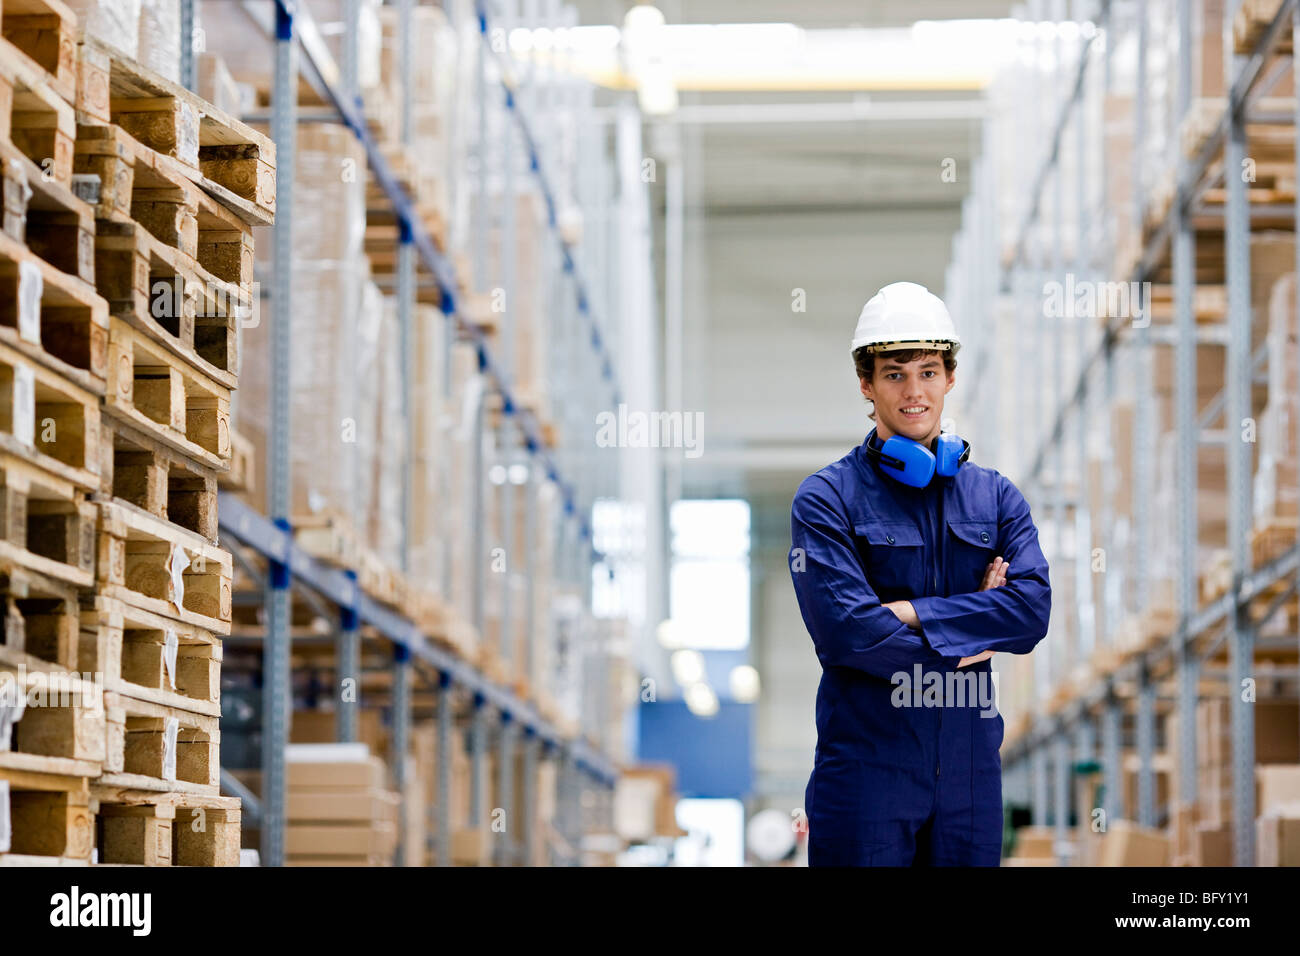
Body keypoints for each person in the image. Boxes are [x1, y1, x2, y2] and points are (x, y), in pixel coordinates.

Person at [788, 281, 1052, 867]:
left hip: (971, 775)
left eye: (929, 372)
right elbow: (849, 633)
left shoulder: (996, 496)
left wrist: (911, 613)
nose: (915, 391)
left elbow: (1032, 612)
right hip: (866, 772)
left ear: (950, 377)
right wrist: (972, 640)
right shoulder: (827, 499)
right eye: (895, 374)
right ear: (866, 382)